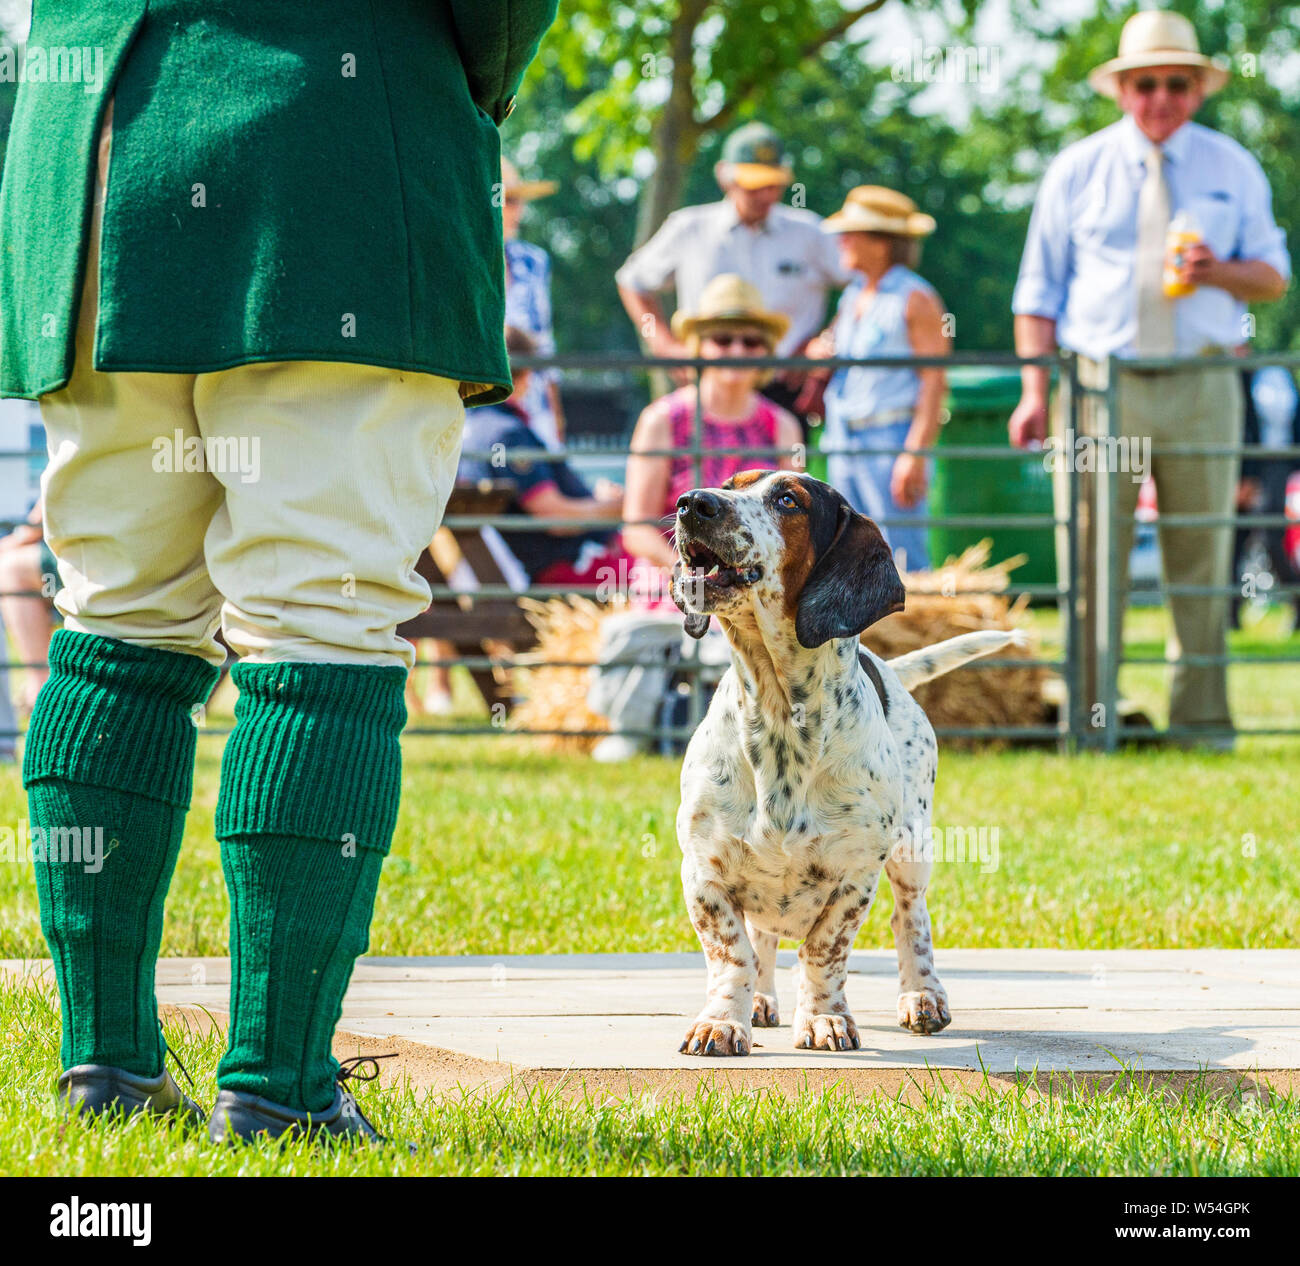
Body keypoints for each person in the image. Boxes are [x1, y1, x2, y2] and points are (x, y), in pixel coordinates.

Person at [0, 1, 557, 1143]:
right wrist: (464, 81)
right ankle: (279, 1086)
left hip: (93, 140)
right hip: (335, 140)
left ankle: (104, 1065)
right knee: (321, 622)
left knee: (116, 618)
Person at [1009, 9, 1289, 747]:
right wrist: (1036, 392)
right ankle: (1090, 721)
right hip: (1101, 384)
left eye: (1175, 82)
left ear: (1197, 89)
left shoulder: (1233, 166)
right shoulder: (1077, 168)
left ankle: (1201, 725)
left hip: (1204, 380)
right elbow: (1037, 294)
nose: (1159, 96)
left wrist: (1216, 272)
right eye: (1144, 83)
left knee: (1201, 553)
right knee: (1092, 552)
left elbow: (1273, 278)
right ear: (1122, 90)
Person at [589, 275, 802, 762]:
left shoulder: (781, 426)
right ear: (698, 347)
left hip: (750, 579)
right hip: (671, 576)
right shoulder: (663, 420)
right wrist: (682, 569)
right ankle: (639, 728)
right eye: (721, 338)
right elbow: (637, 526)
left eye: (749, 340)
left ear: (764, 352)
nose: (734, 350)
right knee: (631, 635)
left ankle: (750, 735)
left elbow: (793, 527)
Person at [614, 122, 849, 433]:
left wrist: (825, 342)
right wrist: (665, 347)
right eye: (754, 184)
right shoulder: (690, 227)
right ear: (725, 175)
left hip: (786, 388)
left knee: (784, 481)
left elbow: (864, 284)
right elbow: (633, 280)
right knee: (705, 479)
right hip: (706, 386)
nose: (764, 194)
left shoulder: (810, 233)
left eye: (772, 184)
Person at [807, 186, 950, 572]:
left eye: (852, 233)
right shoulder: (852, 296)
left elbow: (934, 380)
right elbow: (828, 346)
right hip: (843, 437)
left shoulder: (915, 298)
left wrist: (914, 453)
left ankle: (911, 630)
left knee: (900, 552)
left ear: (882, 243)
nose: (842, 240)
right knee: (850, 551)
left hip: (890, 438)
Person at [458, 327, 627, 586]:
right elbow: (555, 518)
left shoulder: (472, 428)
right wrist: (615, 506)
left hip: (560, 565)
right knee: (667, 571)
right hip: (572, 569)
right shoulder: (506, 434)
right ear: (523, 374)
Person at [502, 157, 567, 451]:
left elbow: (544, 342)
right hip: (475, 403)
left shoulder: (534, 261)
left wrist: (556, 414)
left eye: (519, 200)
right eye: (509, 200)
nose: (519, 210)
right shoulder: (457, 262)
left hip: (532, 400)